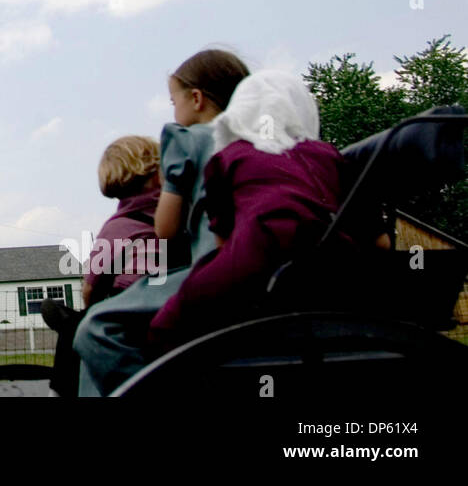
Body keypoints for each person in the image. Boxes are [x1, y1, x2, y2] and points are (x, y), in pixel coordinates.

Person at [71, 48, 251, 396]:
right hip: (262, 273)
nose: (173, 111)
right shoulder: (272, 144)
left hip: (204, 281)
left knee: (94, 331)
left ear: (196, 99)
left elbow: (163, 230)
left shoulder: (190, 141)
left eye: (173, 101)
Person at [147, 70, 346, 349]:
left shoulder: (225, 158)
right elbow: (380, 241)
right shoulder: (329, 155)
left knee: (164, 328)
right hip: (335, 266)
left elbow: (223, 240)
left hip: (255, 256)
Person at [41, 135, 163, 397]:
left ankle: (59, 391)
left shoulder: (118, 226)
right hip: (166, 300)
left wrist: (90, 310)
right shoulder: (175, 214)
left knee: (75, 330)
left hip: (128, 305)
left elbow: (90, 286)